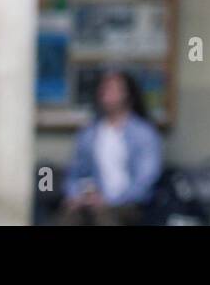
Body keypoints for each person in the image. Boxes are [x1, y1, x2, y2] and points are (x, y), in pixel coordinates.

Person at [60, 70, 163, 225]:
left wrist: (109, 199)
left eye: (113, 89)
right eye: (104, 88)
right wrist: (76, 195)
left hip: (129, 203)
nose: (106, 93)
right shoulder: (89, 133)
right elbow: (75, 172)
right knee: (69, 215)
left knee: (105, 217)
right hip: (92, 200)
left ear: (128, 95)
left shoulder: (144, 134)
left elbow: (144, 182)